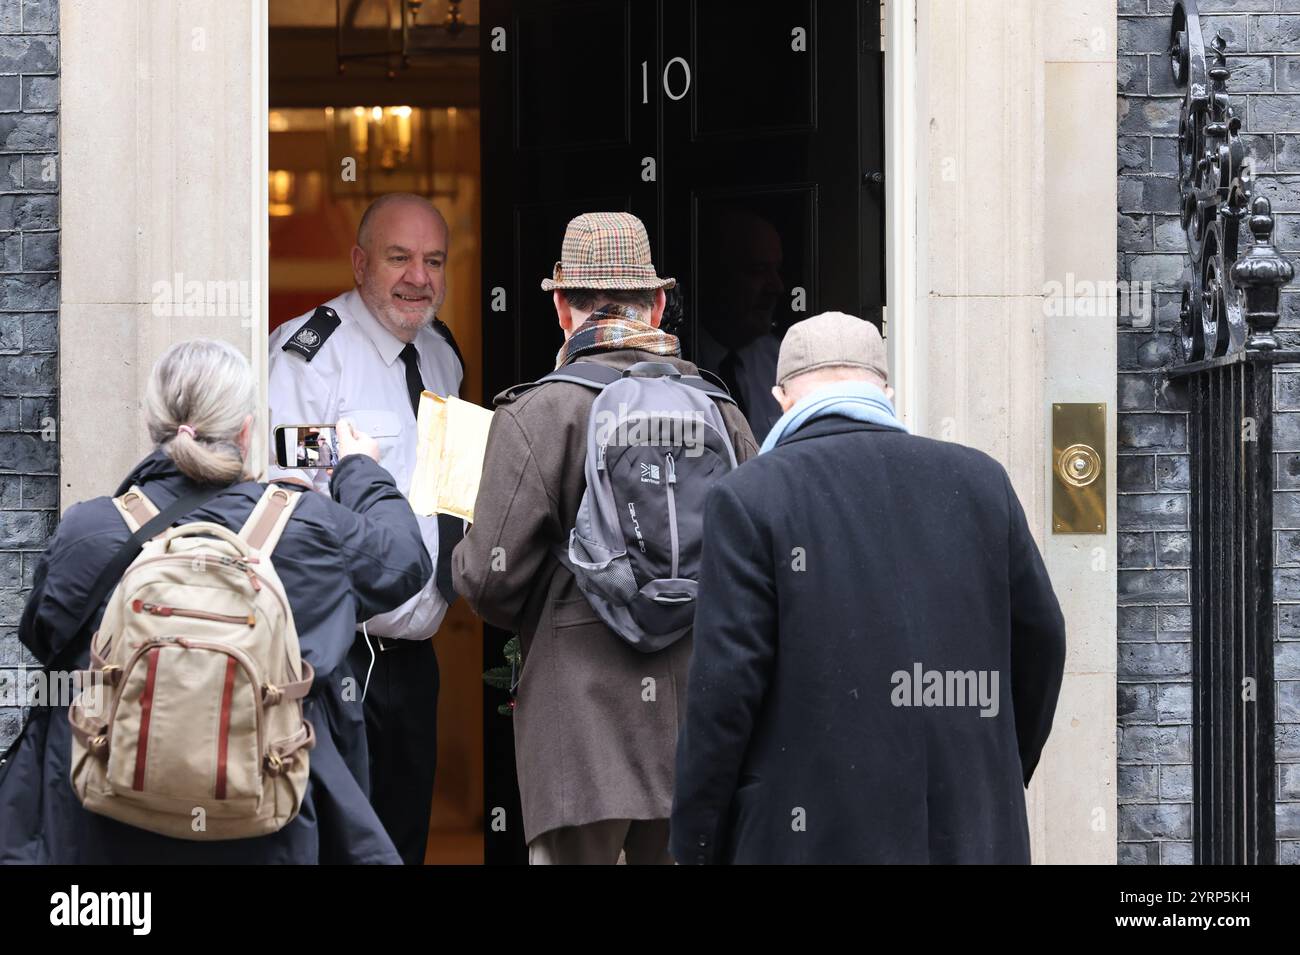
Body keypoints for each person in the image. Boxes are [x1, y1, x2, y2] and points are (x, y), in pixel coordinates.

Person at [0, 339, 431, 864]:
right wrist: (358, 468)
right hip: (272, 825)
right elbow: (405, 561)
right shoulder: (307, 528)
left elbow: (44, 639)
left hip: (102, 829)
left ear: (153, 425)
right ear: (247, 432)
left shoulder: (89, 530)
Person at [670, 312, 1068, 864]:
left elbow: (724, 693)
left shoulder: (749, 497)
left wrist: (697, 842)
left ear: (782, 397)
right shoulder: (981, 482)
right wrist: (992, 771)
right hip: (971, 833)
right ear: (885, 390)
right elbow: (1042, 643)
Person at [453, 212, 759, 865]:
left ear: (562, 307)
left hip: (578, 729)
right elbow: (756, 573)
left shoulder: (536, 412)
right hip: (699, 729)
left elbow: (486, 579)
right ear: (655, 303)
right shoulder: (719, 408)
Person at [267, 192, 463, 865]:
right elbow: (287, 505)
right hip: (341, 657)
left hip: (416, 663)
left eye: (434, 260)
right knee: (336, 848)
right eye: (399, 258)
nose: (419, 277)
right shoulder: (310, 357)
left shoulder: (441, 356)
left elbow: (445, 482)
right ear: (358, 263)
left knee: (405, 842)